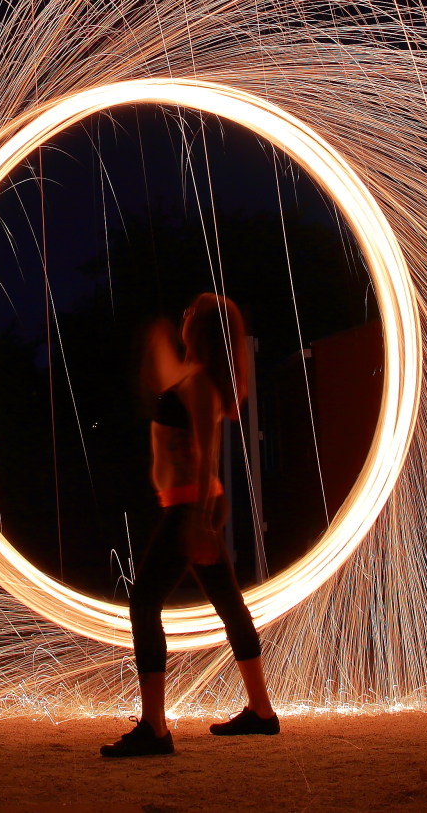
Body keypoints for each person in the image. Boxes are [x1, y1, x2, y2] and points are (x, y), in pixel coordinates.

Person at [100, 291, 278, 757]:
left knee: (144, 604)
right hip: (188, 505)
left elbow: (206, 451)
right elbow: (159, 378)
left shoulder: (199, 384)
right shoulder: (193, 378)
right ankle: (261, 711)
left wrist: (198, 518)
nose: (183, 313)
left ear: (200, 330)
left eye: (190, 313)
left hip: (187, 508)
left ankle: (155, 729)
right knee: (228, 604)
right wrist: (159, 338)